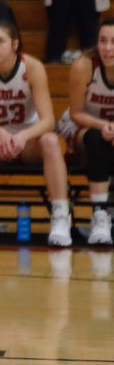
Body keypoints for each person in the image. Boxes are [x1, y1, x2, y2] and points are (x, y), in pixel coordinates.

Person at [0, 22, 70, 247]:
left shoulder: (32, 67)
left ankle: (61, 216)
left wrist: (22, 136)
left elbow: (48, 120)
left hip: (28, 139)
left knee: (51, 141)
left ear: (15, 44)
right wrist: (1, 134)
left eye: (0, 41)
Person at [64, 16, 114, 245]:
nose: (108, 48)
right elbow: (76, 113)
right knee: (97, 139)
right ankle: (99, 214)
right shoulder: (84, 65)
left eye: (113, 42)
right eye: (103, 41)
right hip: (82, 124)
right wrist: (103, 126)